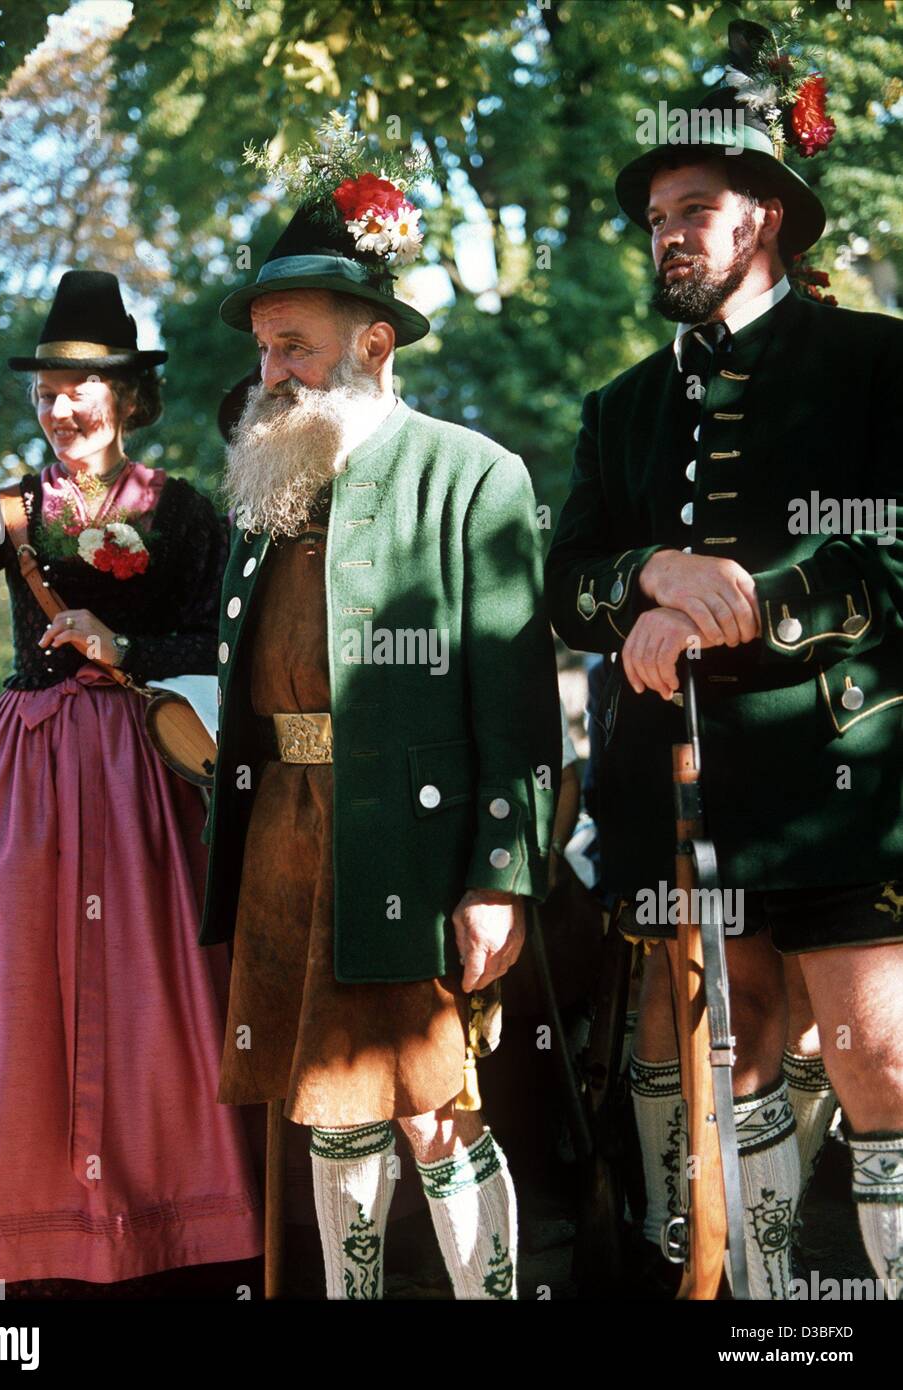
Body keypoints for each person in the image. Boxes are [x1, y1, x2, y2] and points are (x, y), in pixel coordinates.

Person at [545, 20, 903, 1300]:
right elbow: (564, 579)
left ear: (766, 221)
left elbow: (896, 549)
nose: (669, 237)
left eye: (694, 208)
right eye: (655, 220)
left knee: (879, 1053)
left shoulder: (878, 360)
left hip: (843, 779)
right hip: (683, 783)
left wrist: (754, 601)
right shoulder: (619, 407)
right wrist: (645, 576)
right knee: (734, 1049)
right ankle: (764, 1315)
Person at [200, 163, 561, 1298]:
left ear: (374, 345)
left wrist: (499, 875)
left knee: (433, 1113)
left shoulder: (472, 477)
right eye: (263, 349)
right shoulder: (269, 489)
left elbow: (517, 709)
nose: (271, 374)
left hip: (408, 847)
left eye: (294, 346)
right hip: (284, 850)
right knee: (328, 1116)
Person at [0, 270, 262, 1287]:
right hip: (28, 774)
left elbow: (235, 645)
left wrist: (124, 641)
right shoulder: (8, 505)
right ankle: (34, 1227)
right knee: (16, 991)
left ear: (129, 399)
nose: (59, 408)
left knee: (153, 991)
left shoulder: (184, 514)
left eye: (80, 388)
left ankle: (164, 1223)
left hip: (139, 768)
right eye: (46, 390)